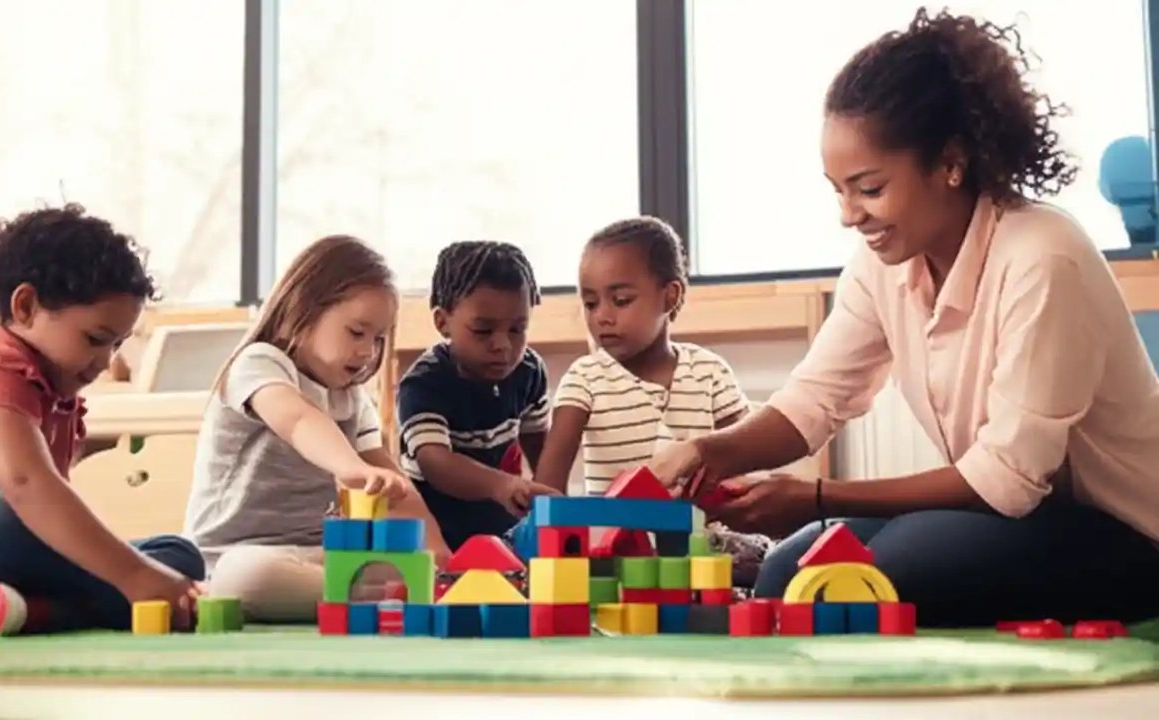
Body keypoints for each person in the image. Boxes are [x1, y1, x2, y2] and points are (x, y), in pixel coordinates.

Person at [650, 8, 1159, 627]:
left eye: (868, 188)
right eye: (837, 190)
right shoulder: (882, 262)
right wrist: (709, 451)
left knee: (880, 576)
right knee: (789, 573)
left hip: (1127, 533)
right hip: (1018, 517)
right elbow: (814, 400)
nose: (849, 214)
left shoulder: (1042, 257)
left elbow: (1007, 478)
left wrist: (816, 499)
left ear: (950, 162)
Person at [0, 204, 205, 633]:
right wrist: (136, 575)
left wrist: (142, 569)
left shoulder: (58, 395)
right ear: (26, 306)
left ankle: (20, 612)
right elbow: (26, 485)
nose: (105, 362)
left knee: (177, 553)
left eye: (117, 345)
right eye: (95, 340)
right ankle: (83, 607)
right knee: (7, 518)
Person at [185, 235, 449, 622]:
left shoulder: (353, 397)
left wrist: (437, 555)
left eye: (378, 339)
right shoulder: (260, 365)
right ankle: (370, 599)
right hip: (229, 557)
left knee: (409, 564)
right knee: (247, 578)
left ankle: (364, 595)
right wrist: (349, 467)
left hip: (317, 557)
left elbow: (394, 483)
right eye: (356, 332)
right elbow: (297, 419)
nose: (368, 352)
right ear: (303, 312)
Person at [535, 217, 771, 576]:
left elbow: (747, 465)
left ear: (670, 296)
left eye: (621, 300)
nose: (602, 317)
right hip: (614, 551)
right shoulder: (585, 378)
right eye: (590, 303)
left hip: (700, 552)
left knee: (762, 561)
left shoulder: (710, 372)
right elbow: (548, 488)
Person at [397, 241, 558, 551]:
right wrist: (502, 485)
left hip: (502, 530)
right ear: (442, 322)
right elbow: (436, 463)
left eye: (517, 329)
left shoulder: (529, 372)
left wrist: (551, 501)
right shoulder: (424, 383)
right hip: (434, 534)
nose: (503, 345)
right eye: (483, 331)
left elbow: (539, 446)